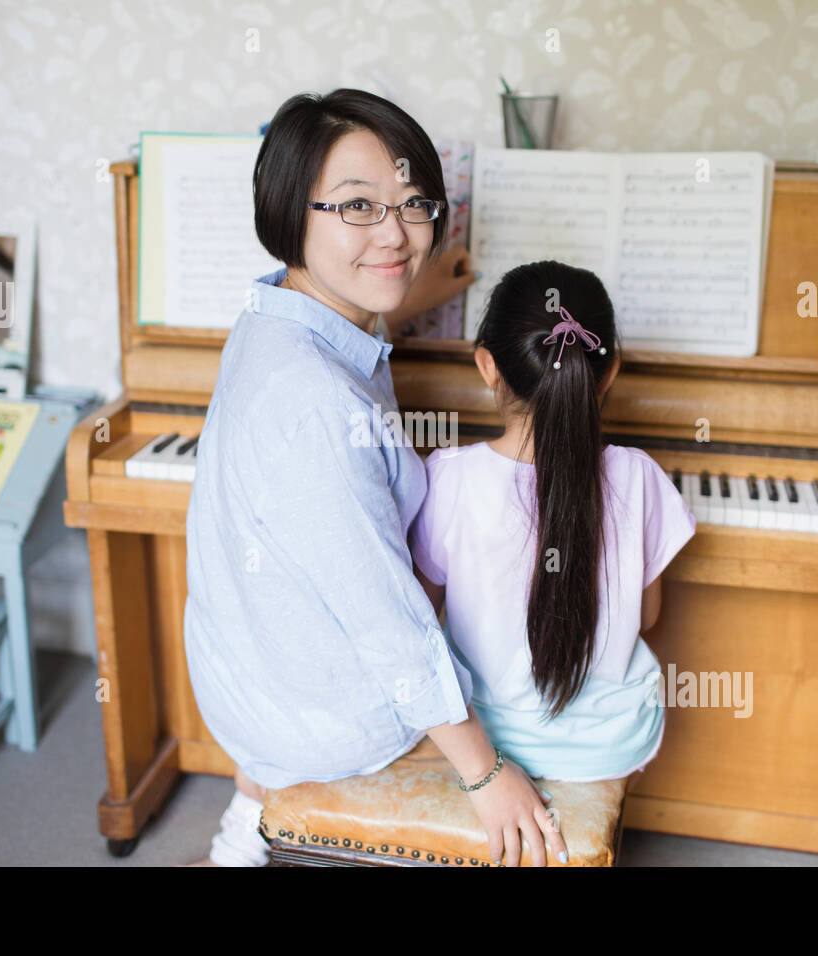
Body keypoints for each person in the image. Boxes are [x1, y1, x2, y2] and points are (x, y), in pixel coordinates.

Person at [184, 89, 568, 867]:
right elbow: (387, 625)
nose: (396, 235)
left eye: (414, 205)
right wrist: (486, 773)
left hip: (245, 667)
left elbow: (375, 276)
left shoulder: (278, 314)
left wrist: (412, 282)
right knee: (550, 648)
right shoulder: (317, 403)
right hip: (318, 714)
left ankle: (240, 832)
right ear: (294, 214)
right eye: (359, 207)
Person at [407, 260, 696, 788]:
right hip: (608, 744)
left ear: (487, 367)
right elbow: (648, 617)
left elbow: (421, 620)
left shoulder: (449, 477)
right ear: (607, 372)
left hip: (486, 741)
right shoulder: (640, 477)